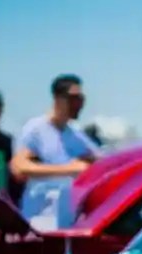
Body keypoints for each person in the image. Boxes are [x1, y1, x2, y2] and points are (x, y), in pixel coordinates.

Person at [10, 74, 99, 230]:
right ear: (58, 98)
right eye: (74, 98)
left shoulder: (76, 135)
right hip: (39, 221)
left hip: (68, 222)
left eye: (81, 99)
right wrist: (69, 169)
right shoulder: (35, 130)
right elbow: (19, 167)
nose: (79, 104)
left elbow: (100, 160)